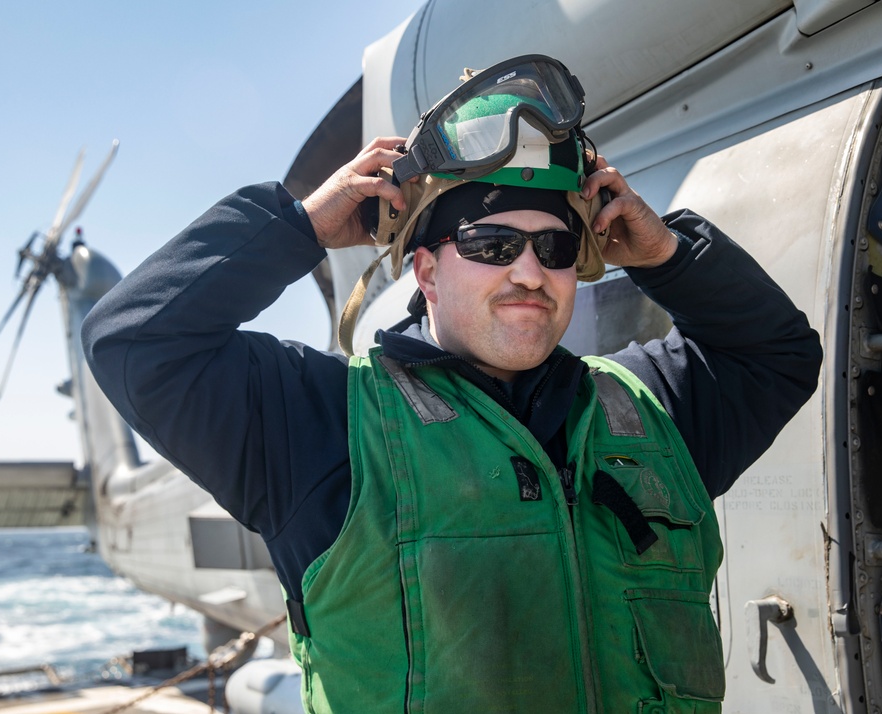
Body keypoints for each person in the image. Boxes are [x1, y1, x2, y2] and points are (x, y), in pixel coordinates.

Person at [82, 55, 822, 713]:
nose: (529, 271)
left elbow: (779, 354)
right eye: (492, 245)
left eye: (556, 247)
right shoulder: (325, 426)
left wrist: (668, 253)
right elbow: (136, 340)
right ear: (428, 271)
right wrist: (298, 225)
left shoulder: (648, 412)